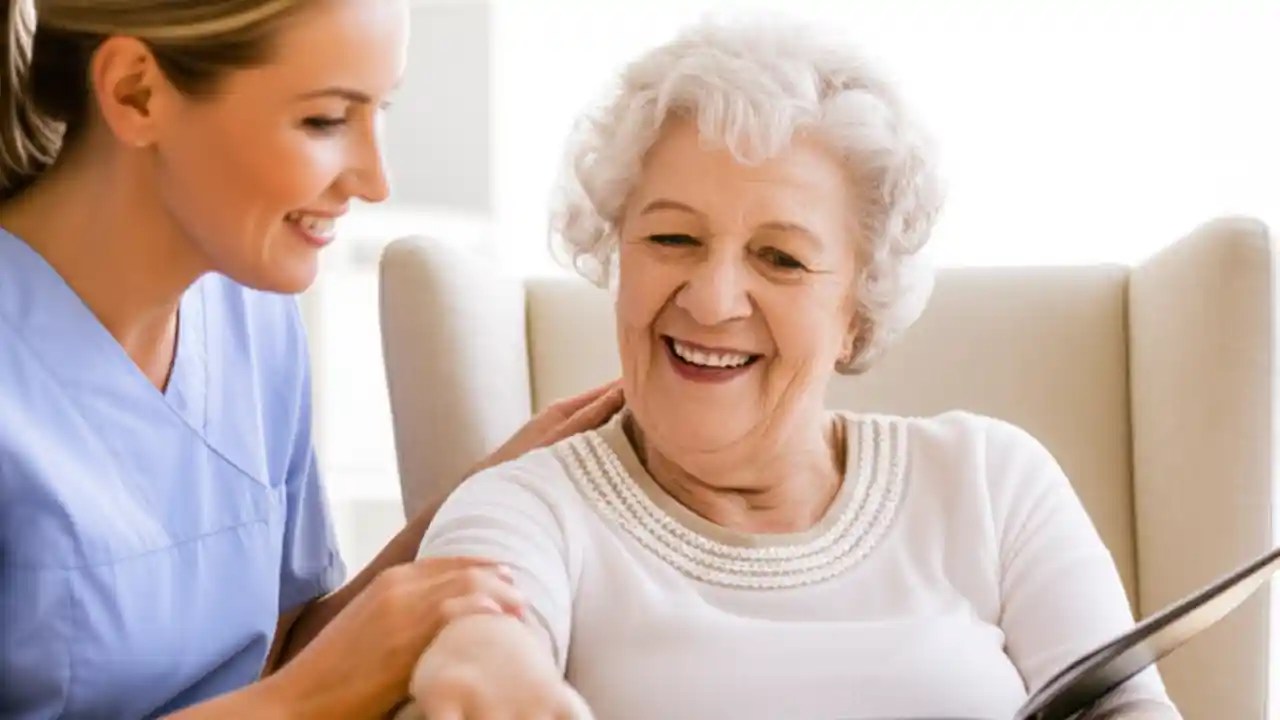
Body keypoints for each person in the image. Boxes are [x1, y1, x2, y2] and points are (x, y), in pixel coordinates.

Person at [402, 17, 1183, 720]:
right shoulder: (529, 506)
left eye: (780, 258)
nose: (710, 301)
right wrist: (489, 664)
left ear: (857, 311)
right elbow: (472, 659)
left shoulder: (991, 479)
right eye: (672, 240)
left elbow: (1127, 712)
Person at [0, 0, 621, 717]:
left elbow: (276, 656)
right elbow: (299, 692)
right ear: (137, 91)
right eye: (326, 120)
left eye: (381, 109)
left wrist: (479, 499)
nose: (376, 180)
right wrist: (306, 697)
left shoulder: (253, 318)